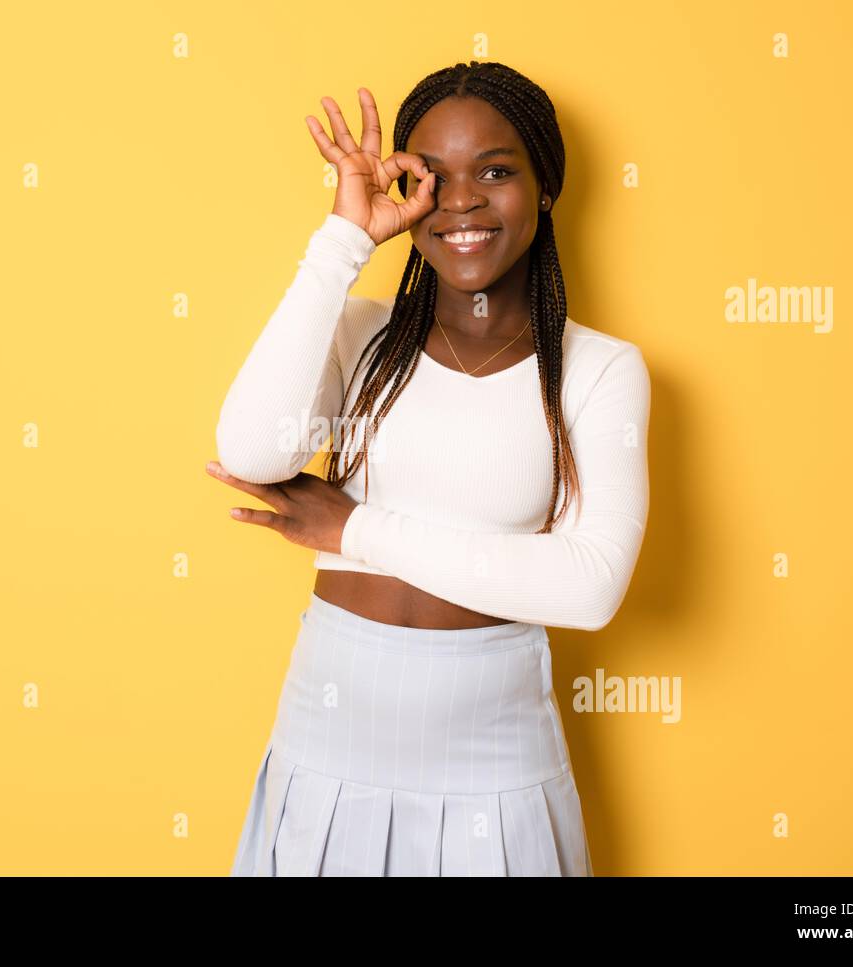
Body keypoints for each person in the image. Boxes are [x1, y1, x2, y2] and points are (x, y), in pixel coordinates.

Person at [208, 60, 650, 876]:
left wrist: (353, 528)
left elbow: (590, 587)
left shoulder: (599, 369)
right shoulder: (357, 335)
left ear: (545, 186)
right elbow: (250, 451)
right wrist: (344, 238)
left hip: (498, 761)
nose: (463, 202)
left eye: (495, 171)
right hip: (327, 738)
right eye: (432, 177)